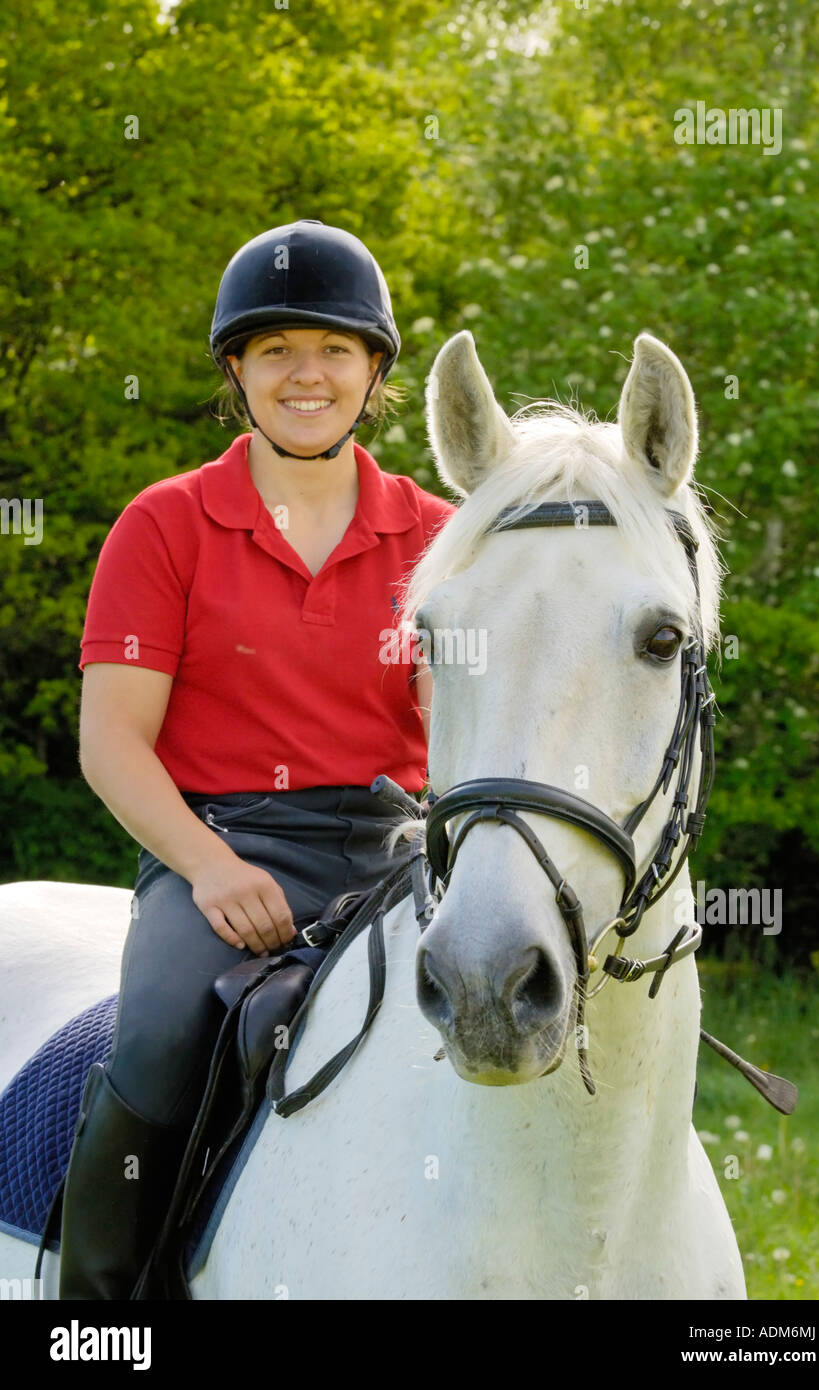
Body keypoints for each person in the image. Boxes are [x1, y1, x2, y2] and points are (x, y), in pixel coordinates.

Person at [57, 219, 458, 1299]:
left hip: (391, 848)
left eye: (332, 348)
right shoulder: (166, 525)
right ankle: (95, 1316)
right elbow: (112, 742)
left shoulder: (441, 537)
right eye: (275, 349)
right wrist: (209, 867)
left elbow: (471, 733)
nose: (305, 374)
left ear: (373, 369)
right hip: (219, 846)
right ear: (235, 370)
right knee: (156, 1040)